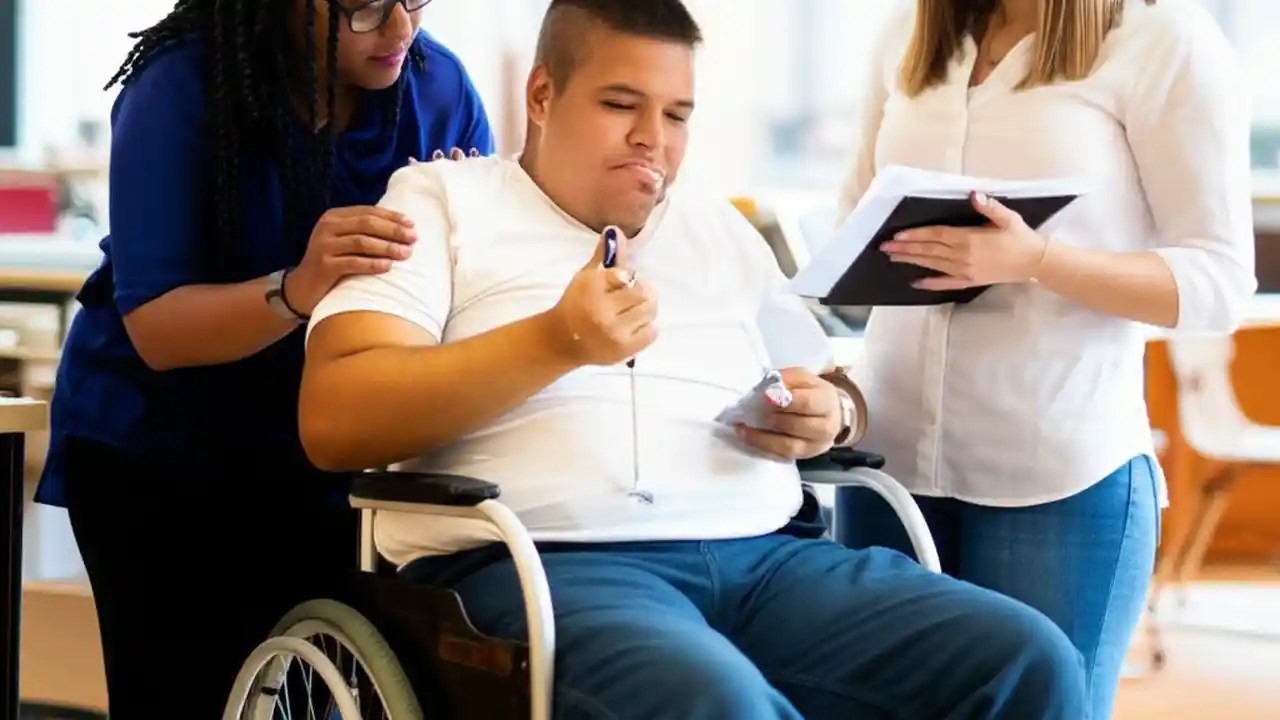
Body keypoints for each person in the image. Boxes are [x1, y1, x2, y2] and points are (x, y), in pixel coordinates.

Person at [299, 1, 1087, 717]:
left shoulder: (719, 230)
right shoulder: (442, 203)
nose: (654, 138)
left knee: (1025, 659)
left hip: (771, 563)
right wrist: (553, 342)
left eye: (677, 114)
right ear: (541, 96)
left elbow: (834, 383)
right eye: (620, 105)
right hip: (552, 568)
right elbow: (336, 419)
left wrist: (834, 413)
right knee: (719, 702)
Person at [34, 0, 494, 715]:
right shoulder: (181, 86)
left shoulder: (438, 89)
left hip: (326, 456)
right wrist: (298, 287)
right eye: (367, 9)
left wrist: (471, 242)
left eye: (415, 0)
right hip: (161, 456)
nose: (401, 29)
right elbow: (157, 328)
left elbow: (477, 301)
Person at [831, 0, 1257, 717]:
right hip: (889, 469)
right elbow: (850, 225)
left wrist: (1037, 260)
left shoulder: (1162, 40)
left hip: (1058, 479)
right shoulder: (906, 36)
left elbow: (1218, 284)